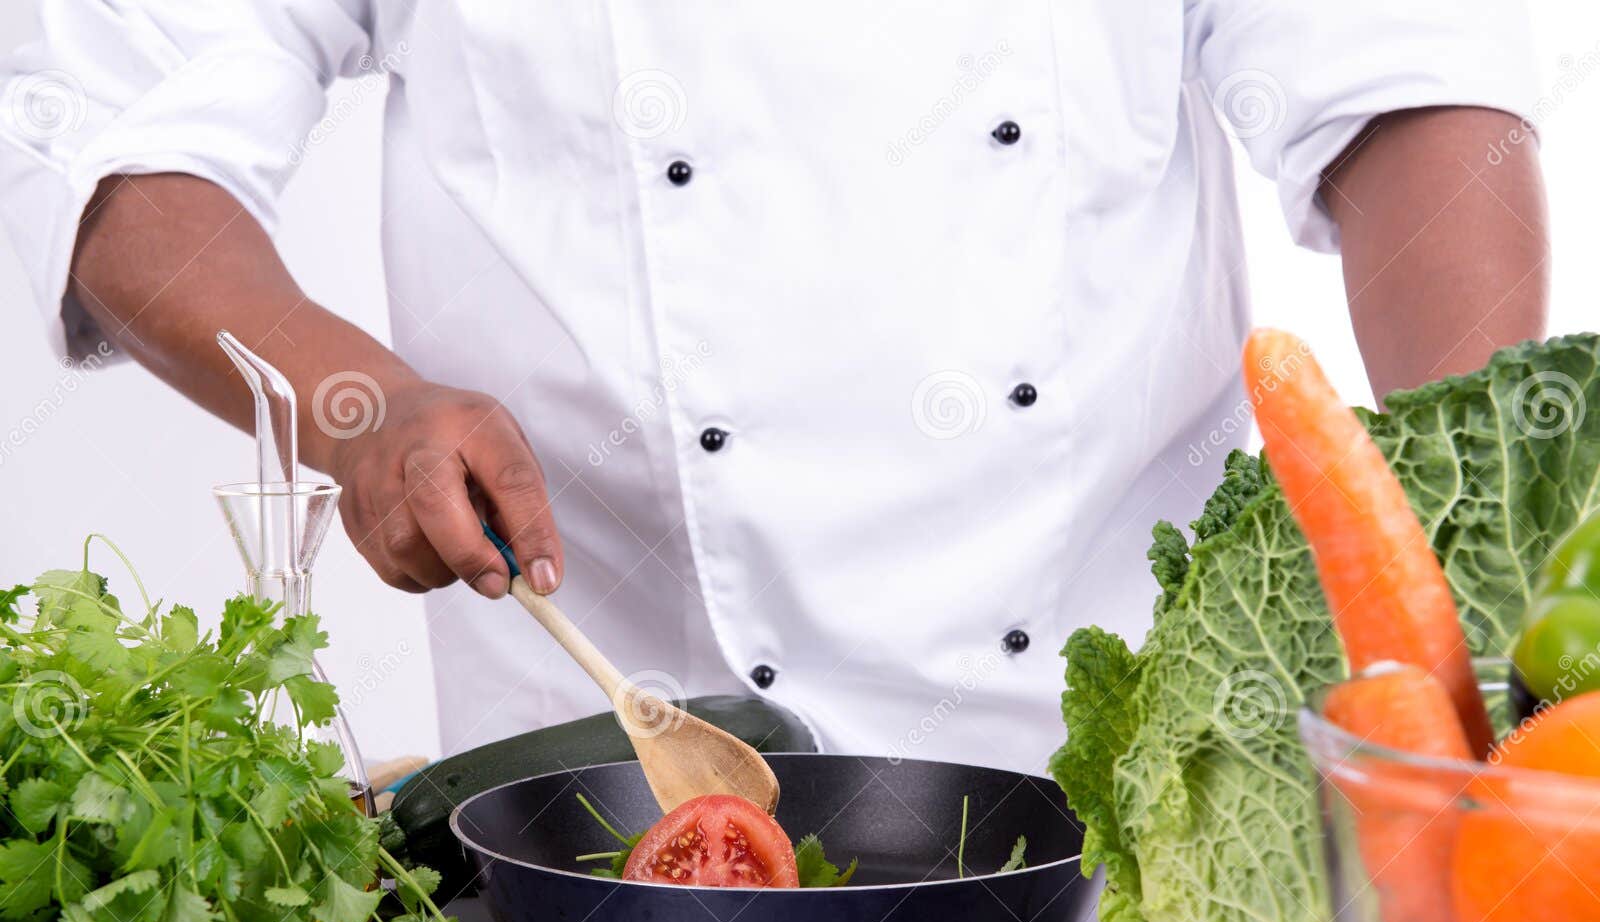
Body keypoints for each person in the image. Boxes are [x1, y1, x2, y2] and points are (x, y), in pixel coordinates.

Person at [0, 3, 1548, 771]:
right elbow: (133, 150)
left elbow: (1413, 89)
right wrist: (359, 409)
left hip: (1142, 779)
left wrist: (1471, 544)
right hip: (599, 803)